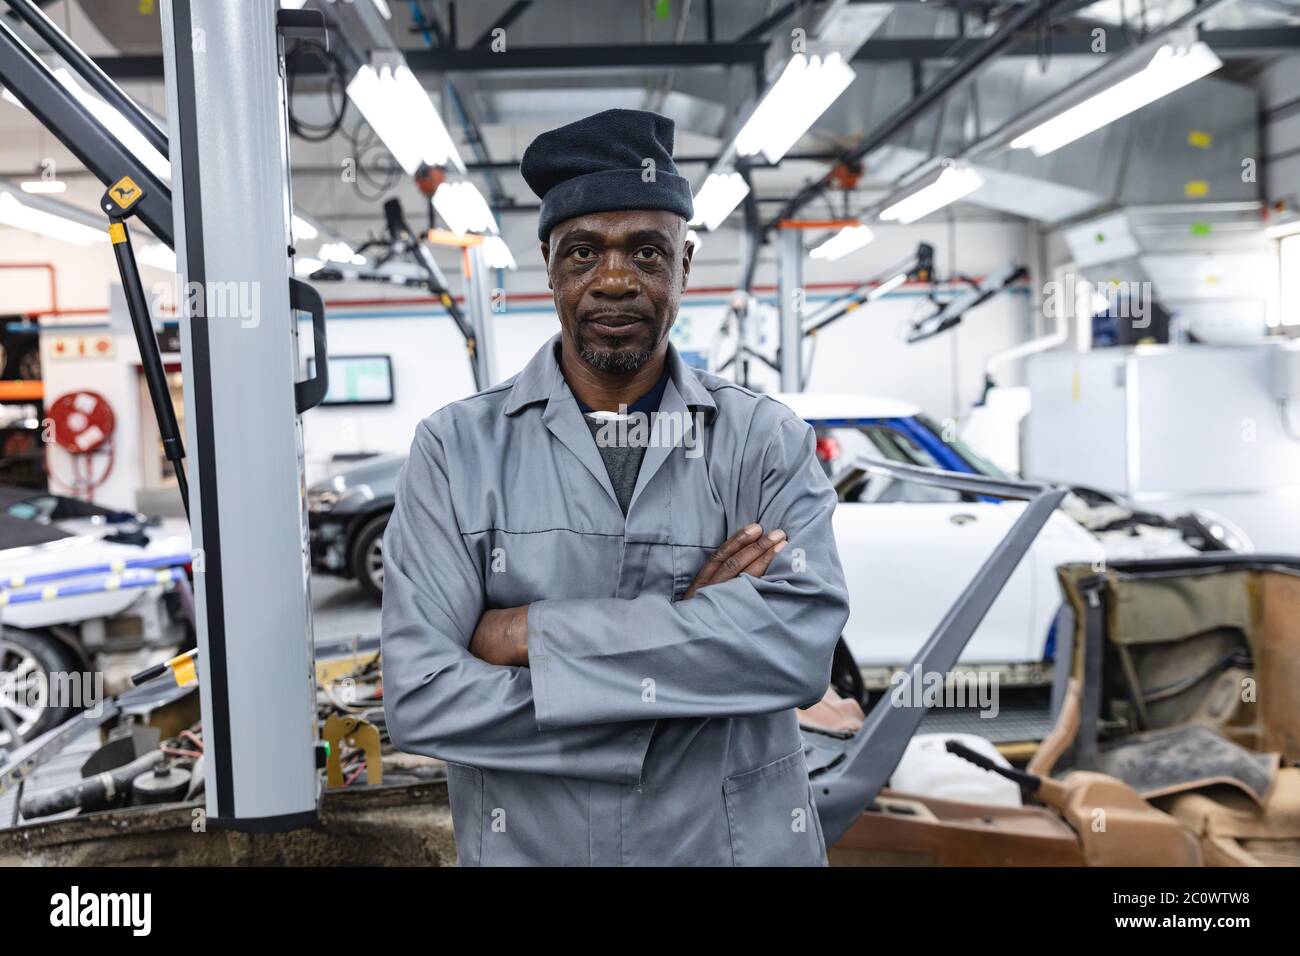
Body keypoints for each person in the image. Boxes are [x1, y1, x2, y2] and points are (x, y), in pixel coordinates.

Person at [380, 108, 850, 866]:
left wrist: (526, 634)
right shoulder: (455, 452)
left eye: (646, 252)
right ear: (549, 265)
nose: (615, 281)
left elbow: (796, 656)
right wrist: (695, 635)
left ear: (686, 264)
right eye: (584, 252)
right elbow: (424, 697)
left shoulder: (763, 441)